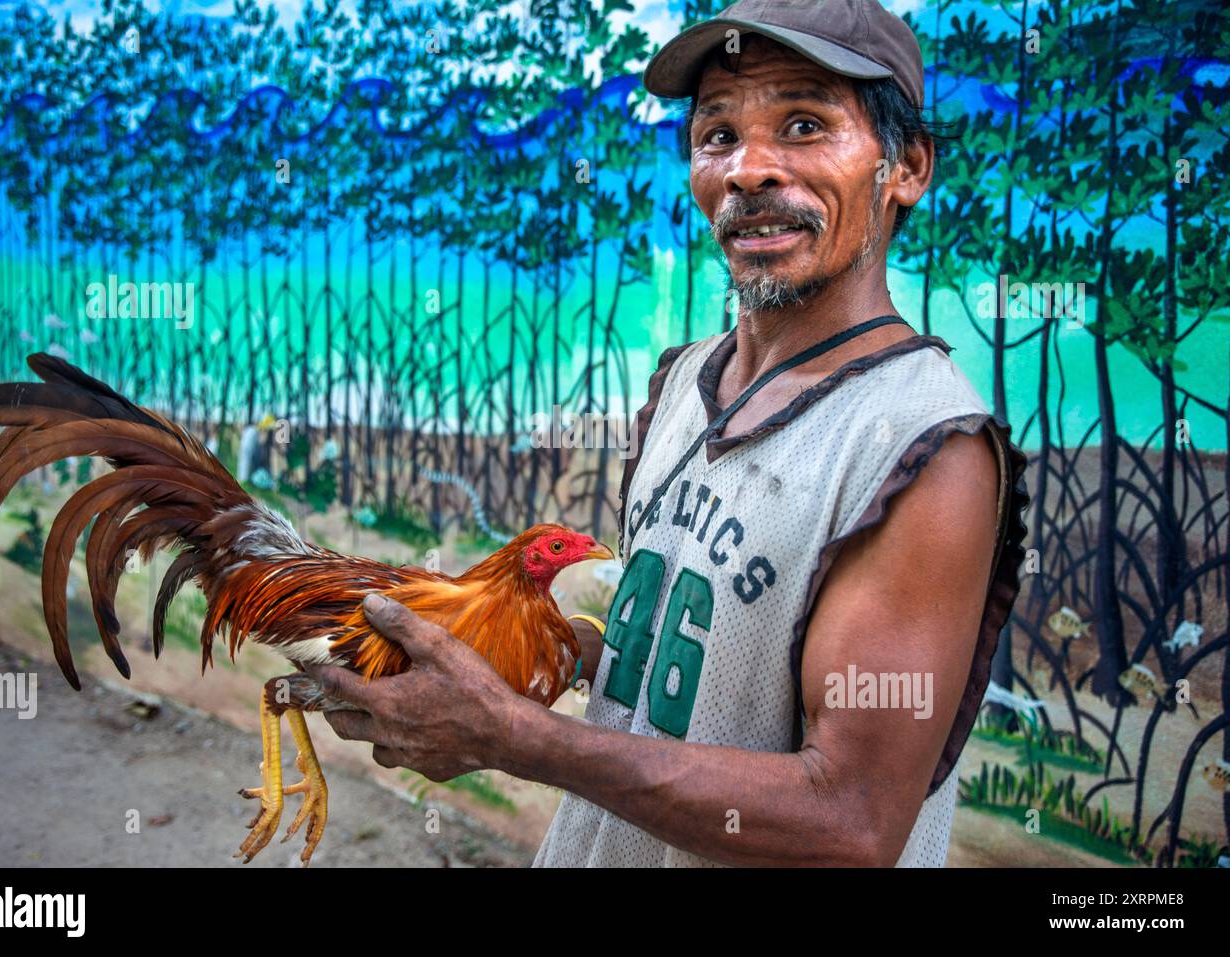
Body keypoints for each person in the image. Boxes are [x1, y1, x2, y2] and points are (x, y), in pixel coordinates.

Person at [310, 0, 1027, 867]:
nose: (750, 169)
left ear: (905, 166)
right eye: (718, 134)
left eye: (804, 125)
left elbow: (852, 821)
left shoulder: (922, 446)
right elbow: (711, 663)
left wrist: (512, 736)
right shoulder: (685, 382)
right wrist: (549, 655)